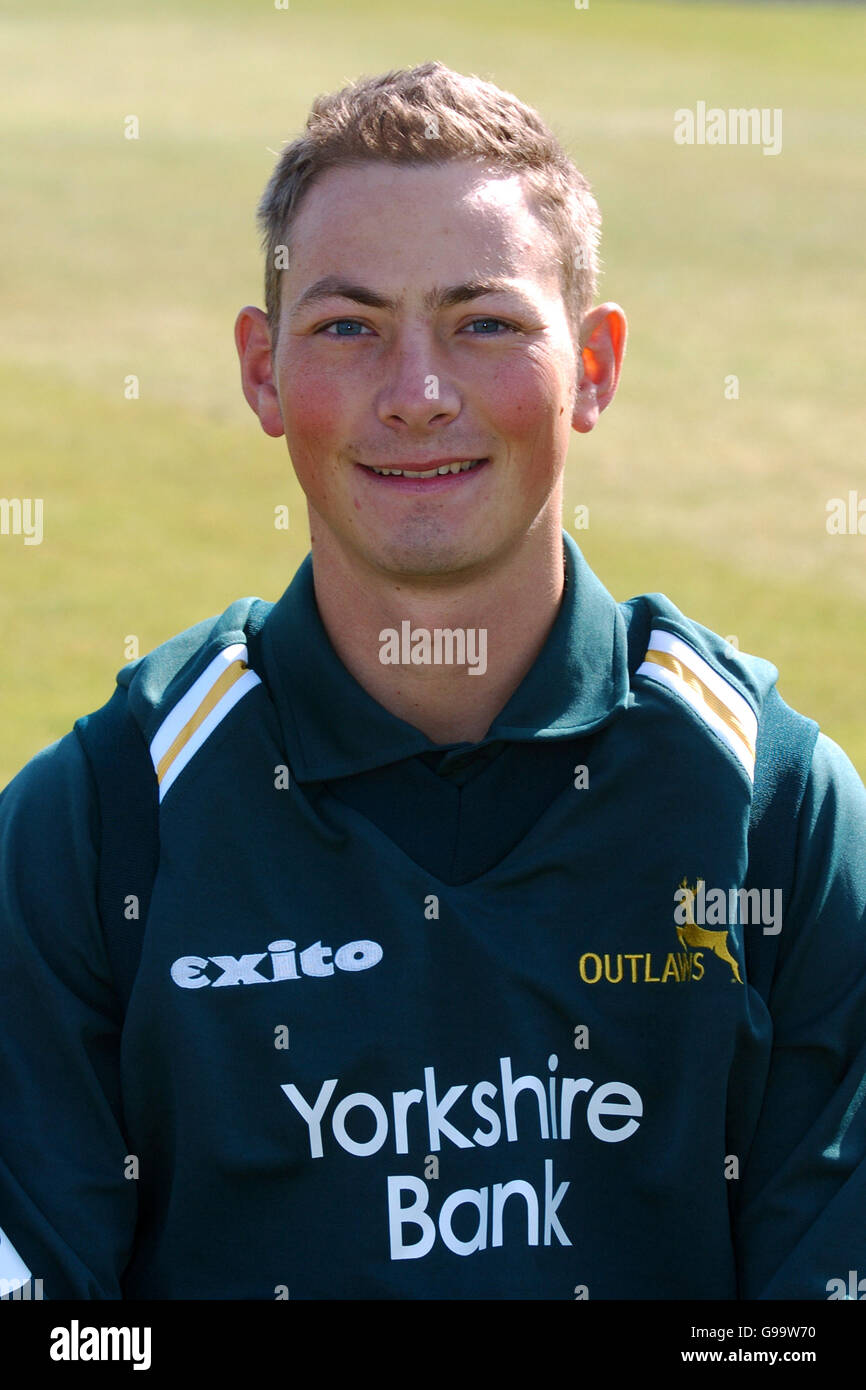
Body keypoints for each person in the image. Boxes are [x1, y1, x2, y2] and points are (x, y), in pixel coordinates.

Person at [1, 60, 864, 1302]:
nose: (418, 395)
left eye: (485, 323)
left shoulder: (769, 807)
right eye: (349, 326)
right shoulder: (99, 821)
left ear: (595, 367)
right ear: (261, 370)